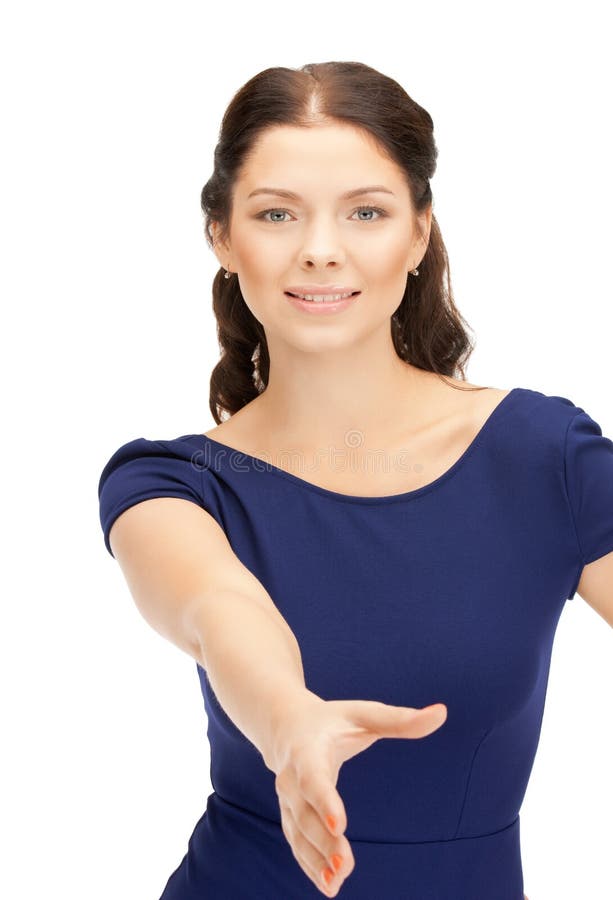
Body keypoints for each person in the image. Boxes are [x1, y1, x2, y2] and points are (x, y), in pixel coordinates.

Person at [97, 61, 613, 899]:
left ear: (417, 234)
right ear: (223, 237)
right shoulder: (171, 482)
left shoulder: (540, 455)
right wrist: (290, 723)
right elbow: (216, 611)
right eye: (275, 215)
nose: (320, 250)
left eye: (365, 212)